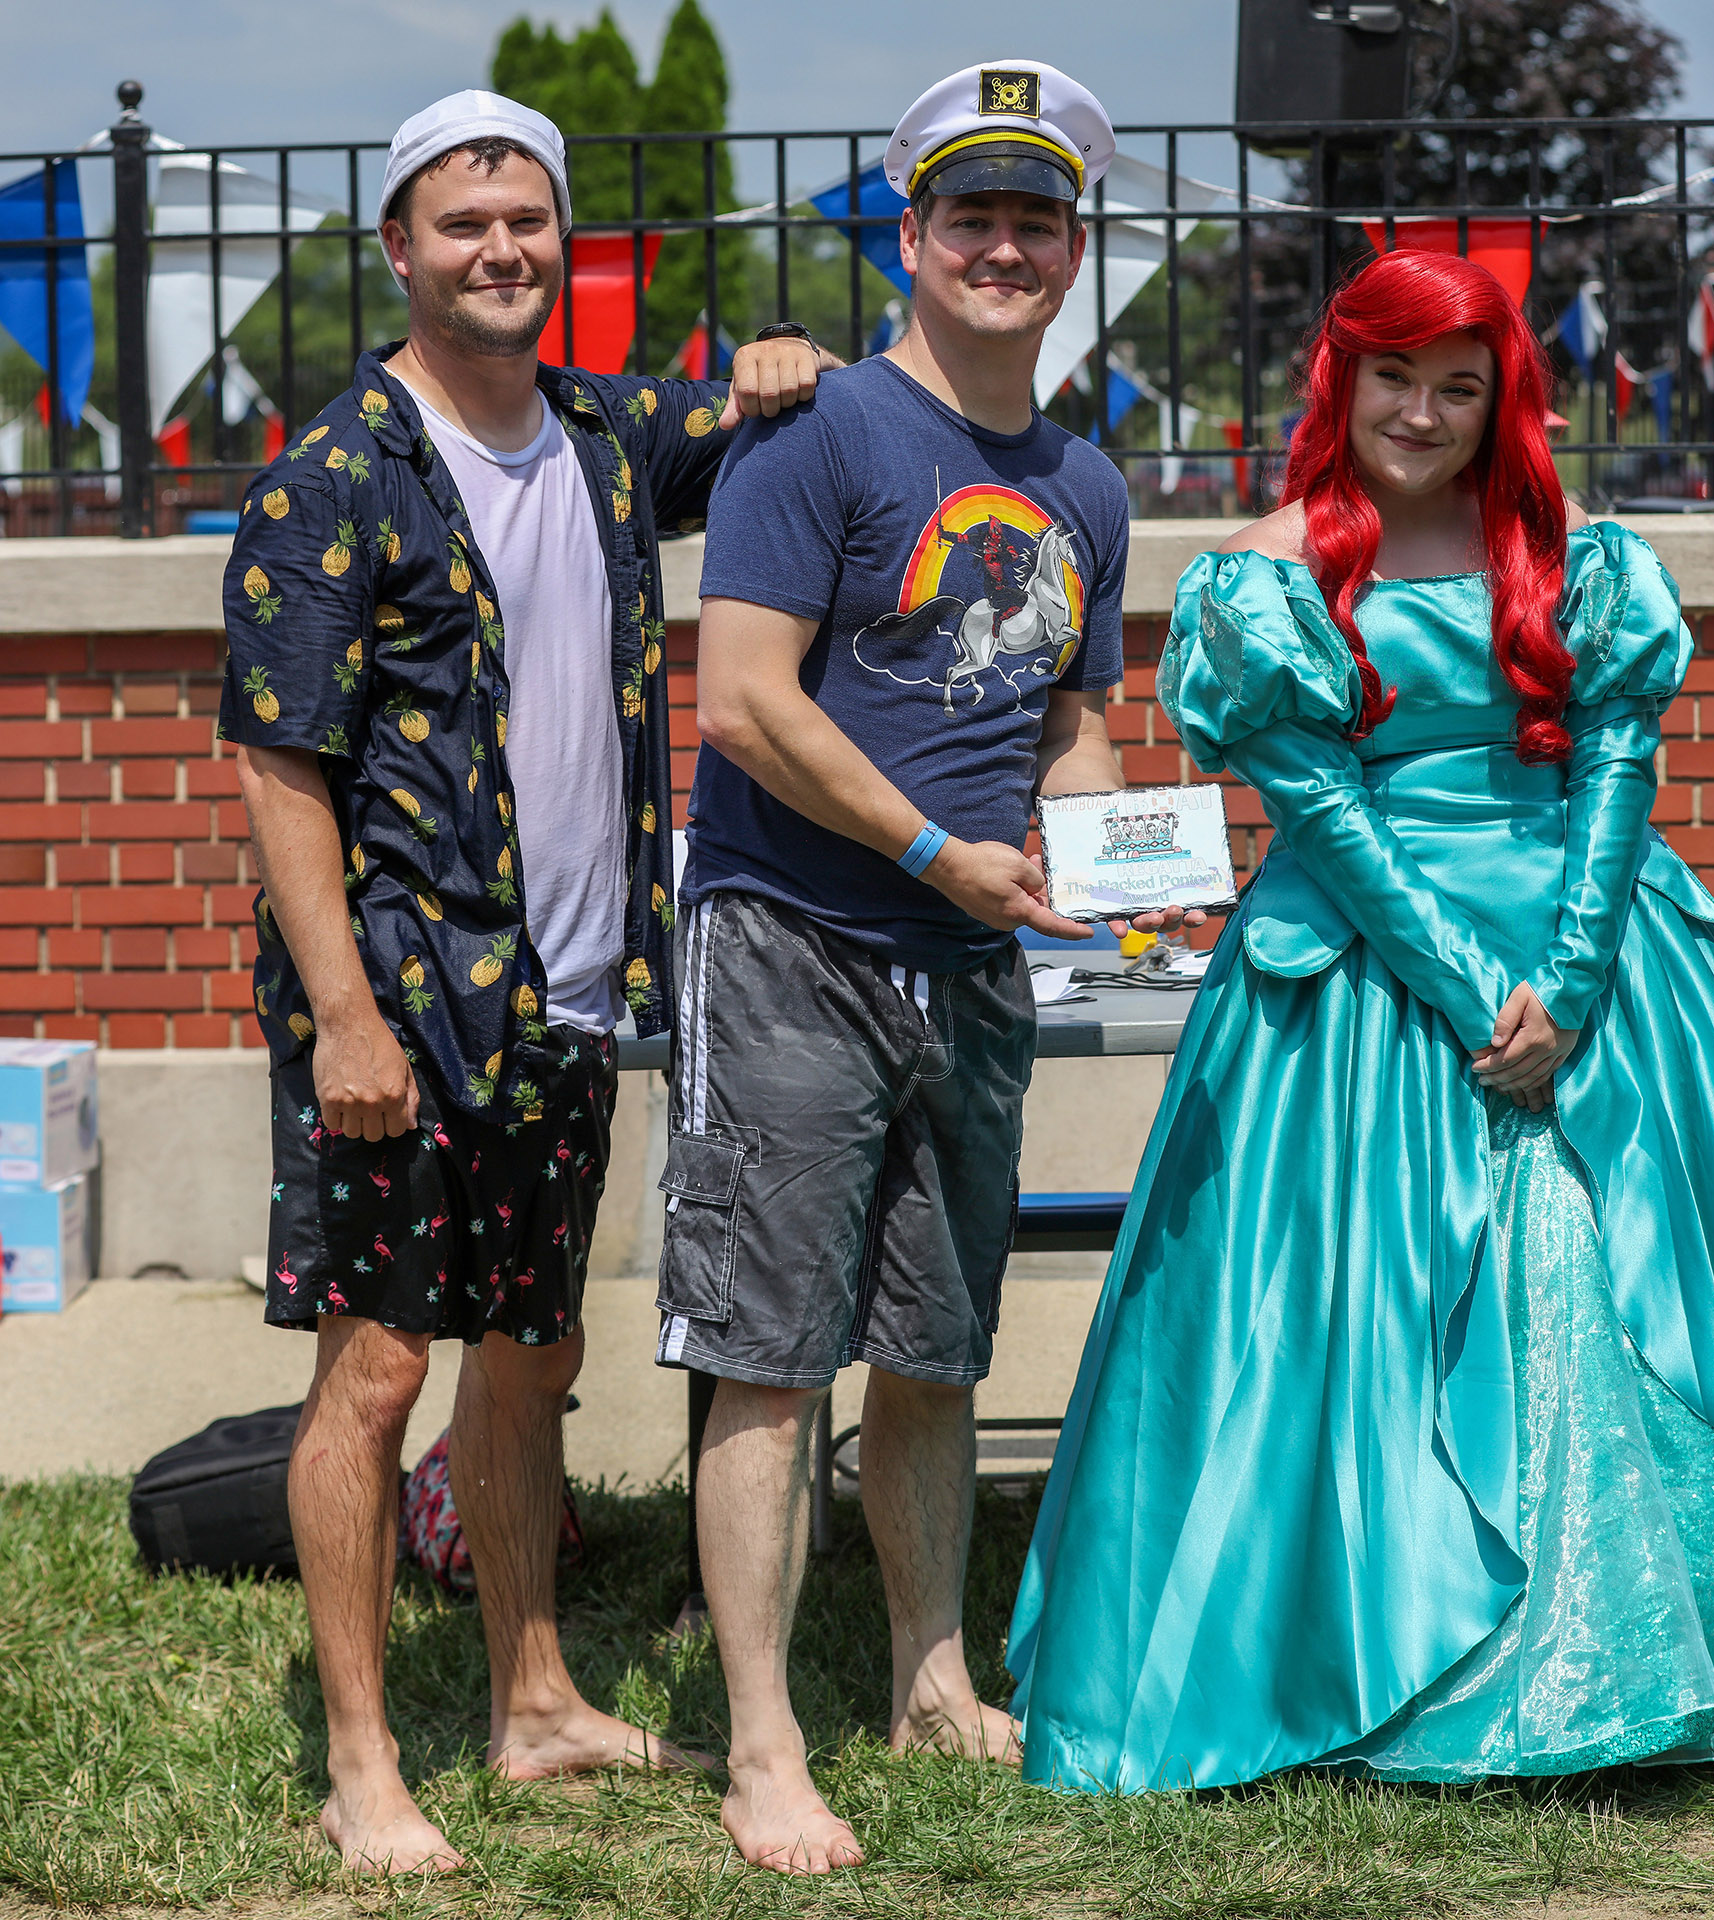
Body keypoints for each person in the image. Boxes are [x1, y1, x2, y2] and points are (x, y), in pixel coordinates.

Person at [1004, 250, 1714, 1796]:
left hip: (1597, 954)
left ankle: (1713, 1649)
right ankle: (1392, 1659)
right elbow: (1322, 812)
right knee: (1361, 1312)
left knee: (1648, 1280)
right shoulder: (1265, 574)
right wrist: (1484, 997)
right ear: (1337, 381)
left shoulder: (1582, 558)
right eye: (1395, 376)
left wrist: (1579, 973)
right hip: (1368, 971)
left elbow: (1618, 766)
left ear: (1505, 402)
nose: (1423, 411)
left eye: (1460, 386)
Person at [218, 91, 820, 1874]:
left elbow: (773, 413)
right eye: (462, 224)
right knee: (378, 1367)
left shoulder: (609, 434)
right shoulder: (332, 475)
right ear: (399, 247)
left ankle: (534, 1694)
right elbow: (278, 767)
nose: (501, 250)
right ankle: (357, 1765)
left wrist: (781, 360)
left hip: (568, 991)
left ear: (564, 245)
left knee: (531, 1353)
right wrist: (338, 1014)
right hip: (398, 1004)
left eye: (528, 221)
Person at [662, 60, 1189, 1875]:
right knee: (767, 1353)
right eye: (971, 213)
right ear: (915, 235)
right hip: (795, 939)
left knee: (938, 1349)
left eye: (1036, 218)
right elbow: (740, 701)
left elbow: (1064, 724)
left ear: (1074, 248)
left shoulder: (1088, 482)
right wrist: (928, 853)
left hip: (969, 970)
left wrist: (1118, 868)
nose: (1003, 245)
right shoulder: (814, 440)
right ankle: (757, 1741)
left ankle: (931, 1671)